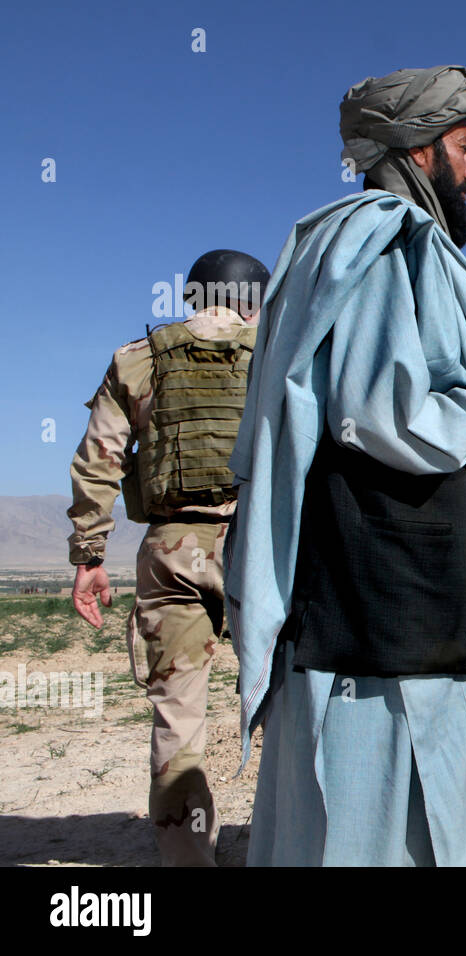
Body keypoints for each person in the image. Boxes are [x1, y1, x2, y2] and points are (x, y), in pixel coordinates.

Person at [225, 65, 466, 867]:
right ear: (420, 150)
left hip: (395, 583)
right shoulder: (380, 237)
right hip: (379, 596)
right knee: (369, 811)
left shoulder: (357, 241)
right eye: (464, 148)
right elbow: (379, 412)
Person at [68, 248, 270, 866]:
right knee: (294, 708)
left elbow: (100, 456)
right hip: (265, 547)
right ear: (255, 298)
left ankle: (188, 859)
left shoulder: (138, 357)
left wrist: (89, 554)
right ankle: (290, 843)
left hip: (171, 550)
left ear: (194, 297)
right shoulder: (282, 350)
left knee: (178, 720)